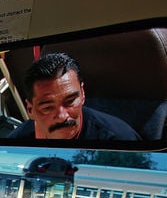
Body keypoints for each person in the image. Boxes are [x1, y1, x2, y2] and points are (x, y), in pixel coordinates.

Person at [11, 52, 140, 141]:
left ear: (82, 94)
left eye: (70, 101)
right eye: (48, 108)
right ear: (30, 110)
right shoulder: (16, 143)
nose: (62, 117)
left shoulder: (120, 138)